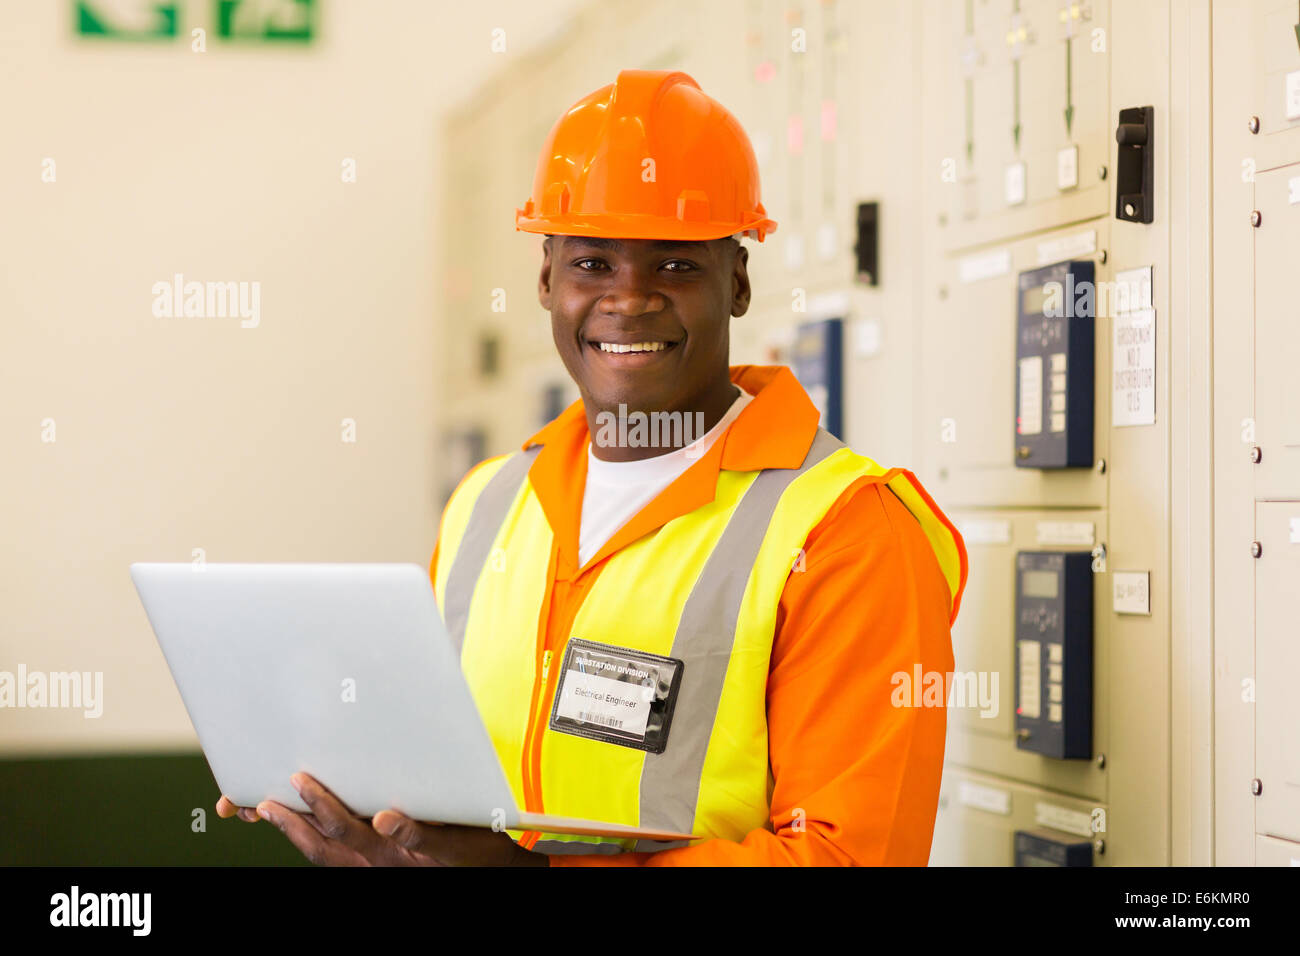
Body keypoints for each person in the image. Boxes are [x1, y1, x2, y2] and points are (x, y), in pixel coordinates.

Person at [218, 69, 967, 867]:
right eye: (593, 264)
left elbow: (850, 858)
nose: (630, 299)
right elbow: (443, 785)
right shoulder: (488, 505)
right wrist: (372, 833)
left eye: (676, 265)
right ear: (547, 282)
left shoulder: (848, 531)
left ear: (738, 284)